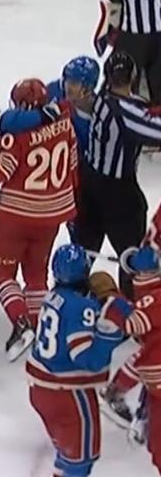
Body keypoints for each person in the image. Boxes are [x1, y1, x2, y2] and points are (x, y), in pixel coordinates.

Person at [0, 79, 78, 361]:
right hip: (52, 213)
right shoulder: (66, 125)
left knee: (1, 272)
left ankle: (20, 322)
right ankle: (40, 330)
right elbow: (73, 168)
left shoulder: (14, 135)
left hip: (17, 215)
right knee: (36, 273)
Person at [26, 245, 125, 477]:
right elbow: (87, 359)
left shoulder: (53, 297)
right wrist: (108, 332)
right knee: (79, 464)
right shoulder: (81, 308)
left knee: (68, 457)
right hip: (69, 395)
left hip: (41, 391)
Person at [74, 51, 161, 296]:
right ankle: (135, 308)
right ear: (133, 76)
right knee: (131, 253)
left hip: (90, 184)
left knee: (85, 248)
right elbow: (155, 130)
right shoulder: (126, 110)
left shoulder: (102, 98)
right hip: (117, 192)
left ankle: (72, 298)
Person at [116, 243, 161, 474]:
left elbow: (132, 323)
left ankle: (121, 396)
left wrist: (113, 301)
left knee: (146, 359)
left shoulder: (148, 299)